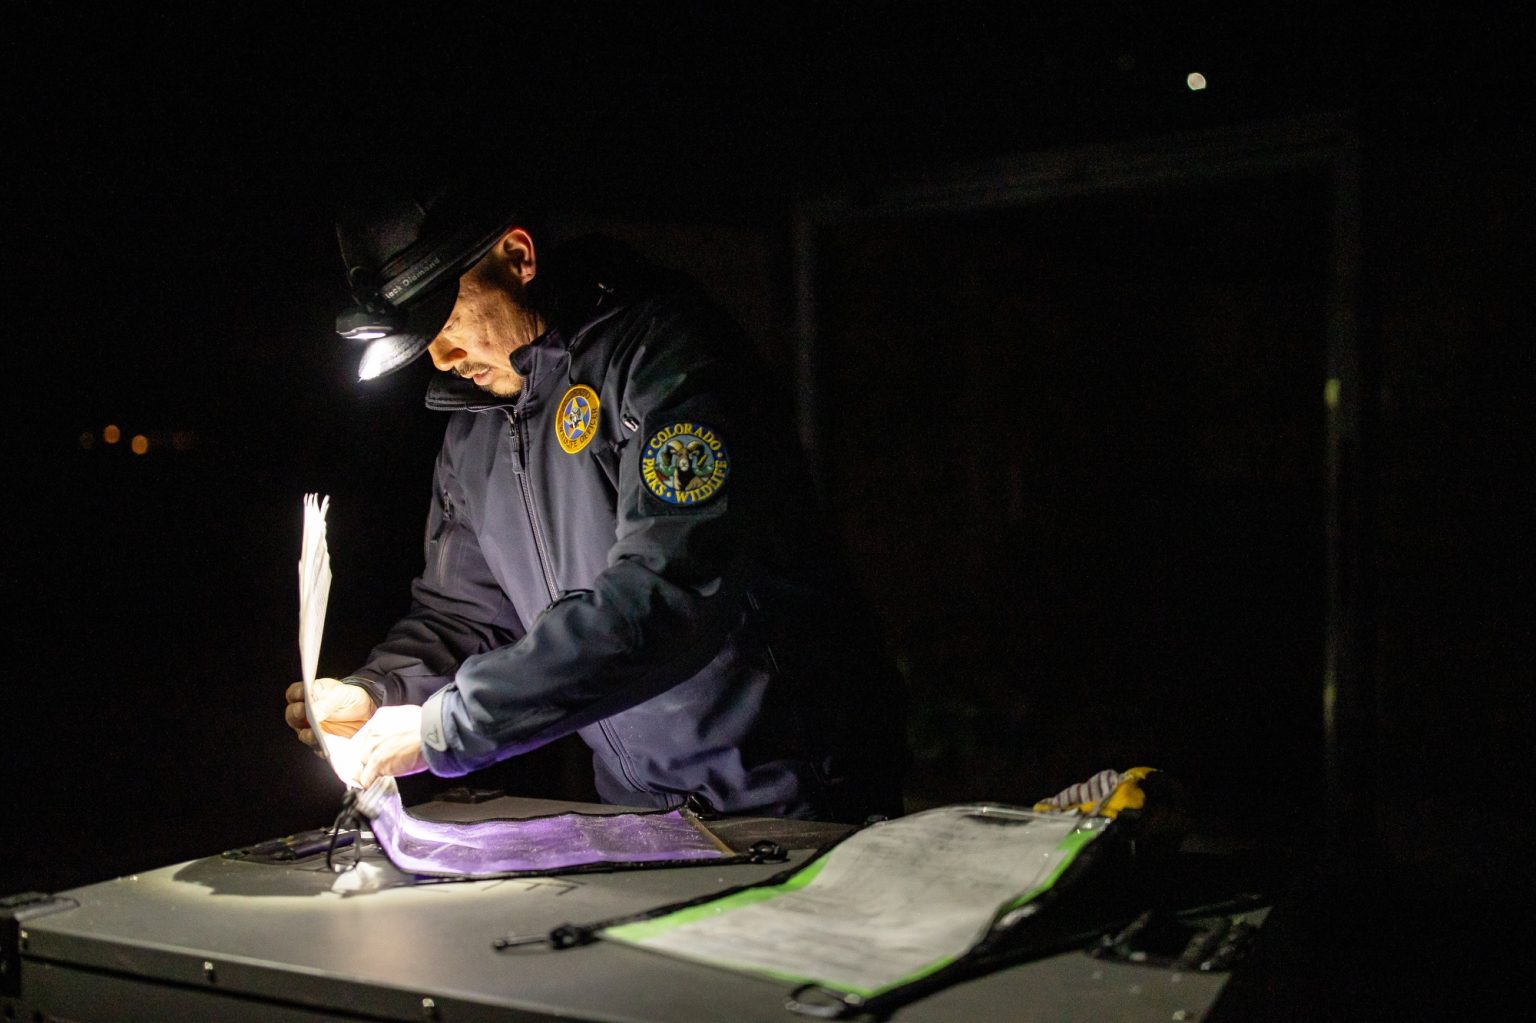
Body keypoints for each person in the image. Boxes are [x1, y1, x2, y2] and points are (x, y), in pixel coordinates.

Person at [284, 169, 907, 822]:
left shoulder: (661, 357)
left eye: (443, 318)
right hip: (643, 816)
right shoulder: (475, 427)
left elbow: (666, 590)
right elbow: (464, 616)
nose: (440, 357)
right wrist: (378, 692)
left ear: (518, 257)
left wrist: (450, 725)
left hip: (793, 798)